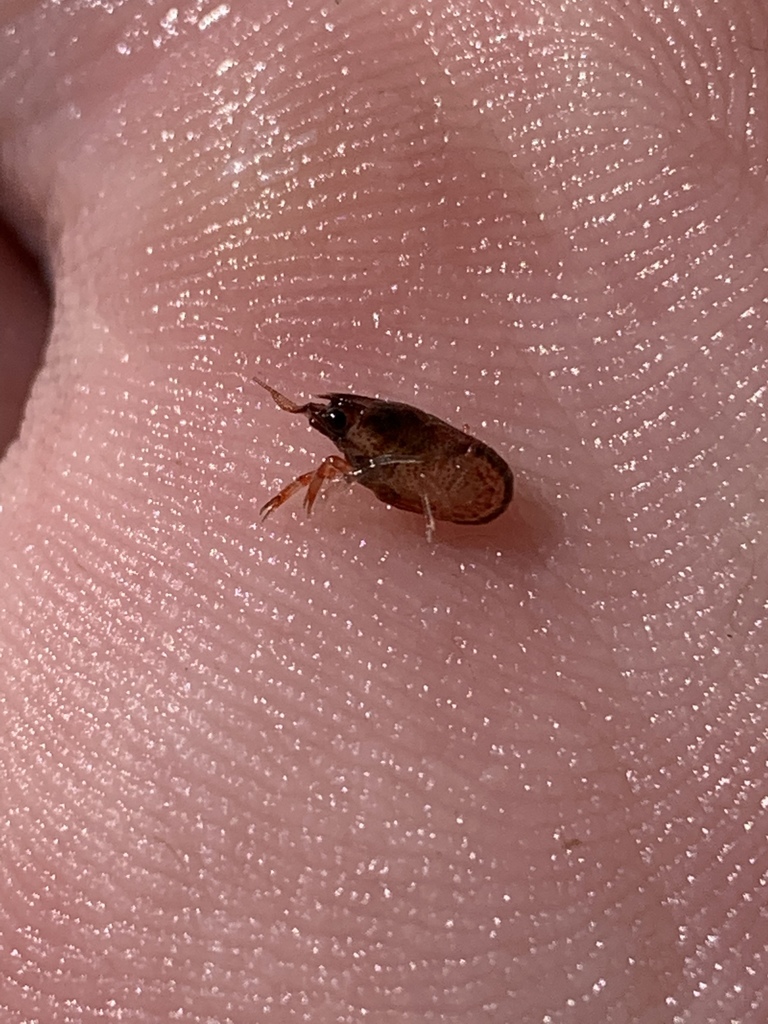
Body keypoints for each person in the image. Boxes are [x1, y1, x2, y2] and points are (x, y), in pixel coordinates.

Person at [1, 1, 765, 1020]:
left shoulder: (372, 448)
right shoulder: (356, 435)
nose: (319, 421)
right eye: (328, 418)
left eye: (327, 416)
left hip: (454, 478)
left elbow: (409, 469)